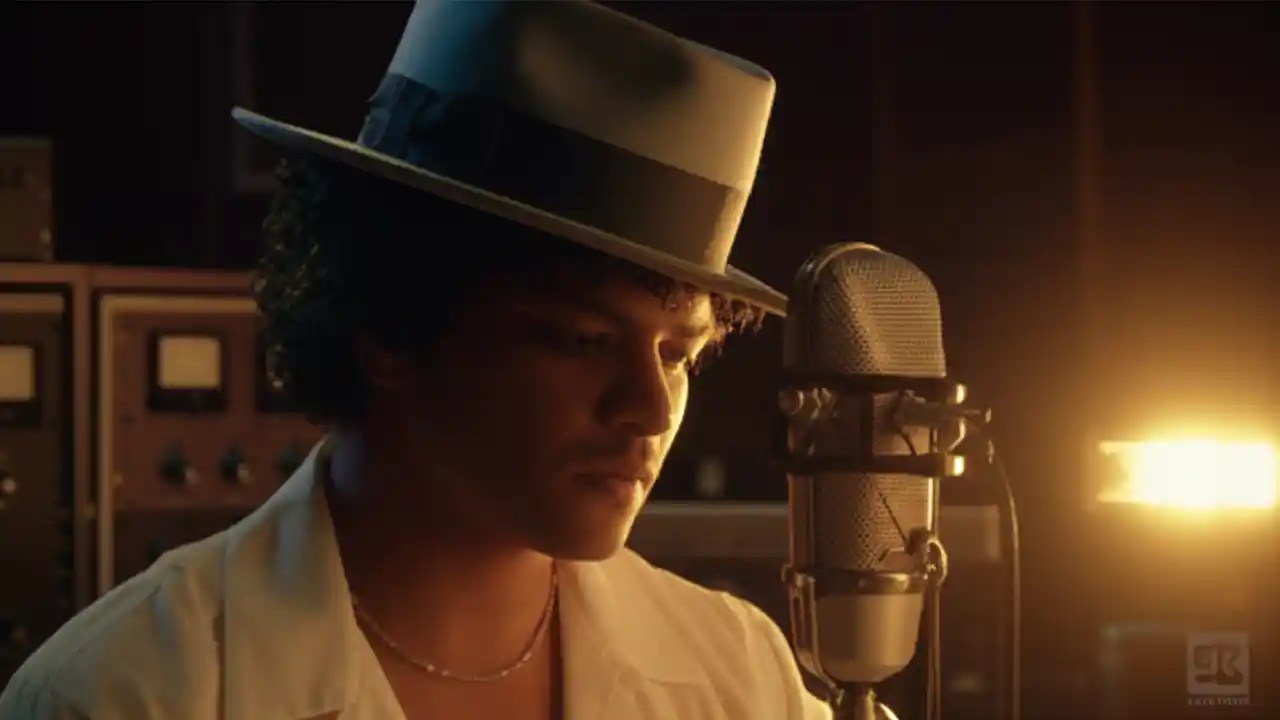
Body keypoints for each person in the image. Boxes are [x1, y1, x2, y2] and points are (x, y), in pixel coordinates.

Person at [0, 1, 831, 718]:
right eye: (582, 340)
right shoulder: (128, 692)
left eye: (678, 354)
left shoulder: (739, 676)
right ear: (389, 319)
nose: (649, 409)